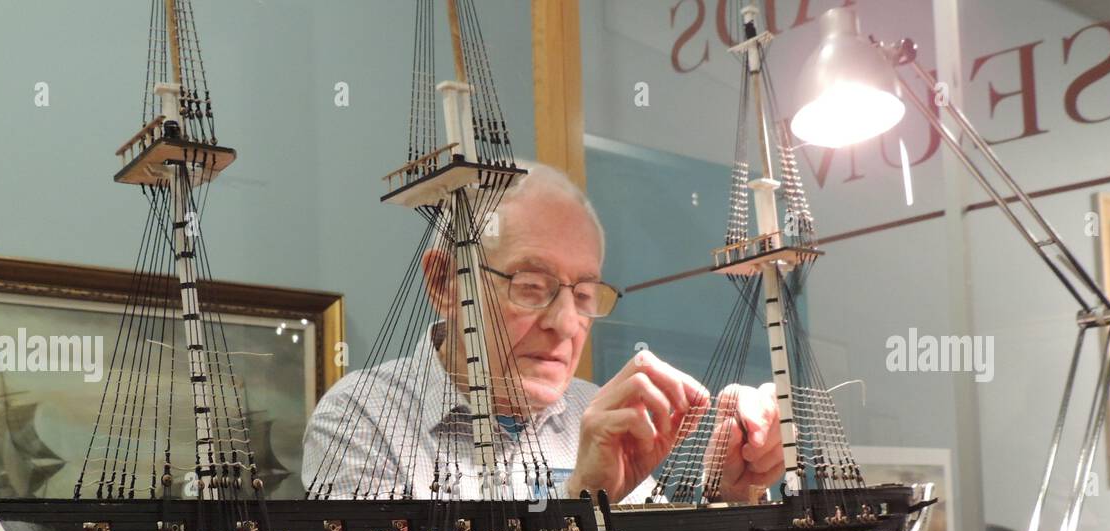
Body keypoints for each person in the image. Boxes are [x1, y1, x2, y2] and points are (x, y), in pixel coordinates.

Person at [302, 162, 783, 504]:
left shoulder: (593, 413)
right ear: (445, 282)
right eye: (530, 287)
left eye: (585, 295)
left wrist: (732, 492)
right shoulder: (362, 418)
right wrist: (580, 502)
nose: (566, 323)